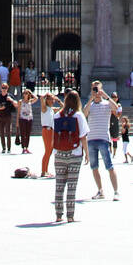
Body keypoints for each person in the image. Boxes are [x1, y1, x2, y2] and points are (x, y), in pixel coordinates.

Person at [52, 90, 89, 223]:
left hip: (59, 153)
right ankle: (70, 215)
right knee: (72, 185)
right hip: (75, 153)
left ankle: (58, 214)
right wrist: (87, 154)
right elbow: (83, 137)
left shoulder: (57, 115)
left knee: (59, 184)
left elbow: (54, 135)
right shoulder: (79, 115)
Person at [85, 80, 121, 200]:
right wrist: (91, 98)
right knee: (94, 167)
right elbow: (84, 113)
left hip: (103, 139)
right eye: (94, 89)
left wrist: (105, 95)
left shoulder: (106, 103)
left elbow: (116, 109)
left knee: (109, 166)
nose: (96, 91)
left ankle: (116, 191)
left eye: (97, 89)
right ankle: (100, 191)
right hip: (91, 139)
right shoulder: (89, 104)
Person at [39, 93, 61, 176]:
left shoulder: (52, 109)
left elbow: (63, 107)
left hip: (52, 131)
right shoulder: (44, 108)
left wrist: (58, 100)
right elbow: (41, 98)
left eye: (53, 99)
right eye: (51, 99)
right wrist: (47, 95)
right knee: (47, 151)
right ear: (47, 100)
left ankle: (45, 170)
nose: (52, 101)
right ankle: (43, 171)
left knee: (49, 151)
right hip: (46, 130)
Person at [0, 82, 17, 153]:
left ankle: (9, 148)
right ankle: (3, 147)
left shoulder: (10, 96)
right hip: (0, 116)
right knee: (1, 132)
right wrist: (1, 108)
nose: (4, 89)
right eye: (3, 88)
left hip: (8, 116)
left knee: (8, 132)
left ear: (7, 89)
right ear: (0, 88)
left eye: (5, 88)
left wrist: (11, 100)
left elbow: (16, 105)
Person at [18, 88, 36, 153]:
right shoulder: (20, 101)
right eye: (24, 93)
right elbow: (18, 111)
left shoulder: (30, 101)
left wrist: (31, 93)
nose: (25, 94)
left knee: (28, 134)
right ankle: (23, 148)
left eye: (27, 93)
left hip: (29, 119)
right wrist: (17, 121)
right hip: (22, 119)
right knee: (23, 134)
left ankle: (27, 147)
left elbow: (36, 98)